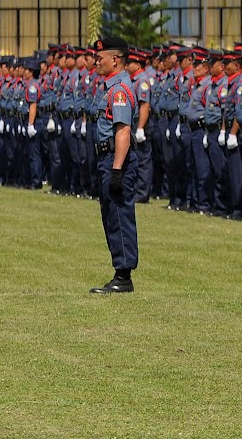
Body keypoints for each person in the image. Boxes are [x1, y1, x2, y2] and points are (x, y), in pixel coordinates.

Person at [90, 37, 140, 294]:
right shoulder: (110, 88)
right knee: (111, 215)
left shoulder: (119, 90)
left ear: (115, 60)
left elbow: (122, 131)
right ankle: (120, 271)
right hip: (107, 158)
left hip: (115, 158)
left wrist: (117, 169)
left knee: (119, 215)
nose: (96, 62)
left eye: (100, 58)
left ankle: (124, 276)